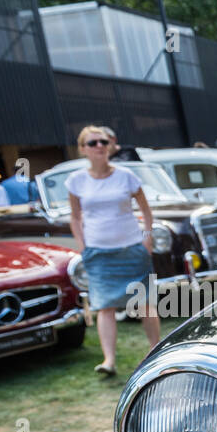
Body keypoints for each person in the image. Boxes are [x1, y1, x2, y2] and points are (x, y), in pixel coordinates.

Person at [65, 125, 160, 375]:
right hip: (98, 252)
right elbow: (75, 217)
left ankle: (156, 350)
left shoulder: (127, 176)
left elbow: (146, 211)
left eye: (104, 142)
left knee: (144, 303)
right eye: (93, 143)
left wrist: (147, 239)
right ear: (83, 149)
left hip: (132, 249)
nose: (100, 146)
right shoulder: (76, 181)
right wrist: (82, 245)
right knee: (104, 306)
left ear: (110, 146)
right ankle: (109, 361)